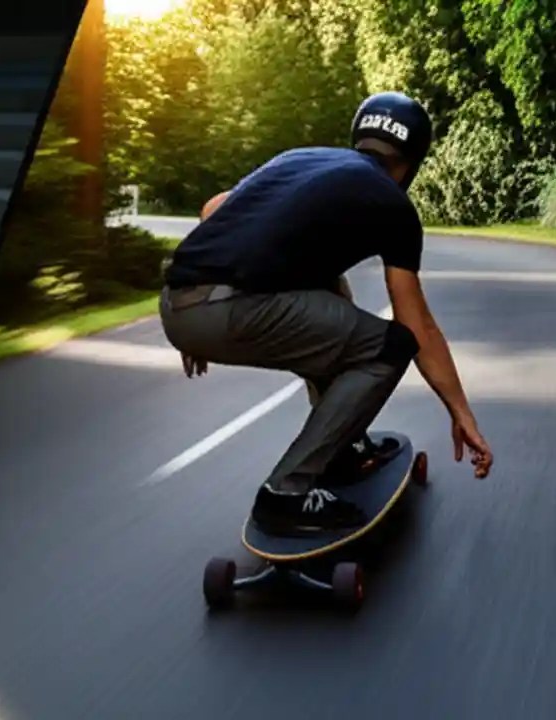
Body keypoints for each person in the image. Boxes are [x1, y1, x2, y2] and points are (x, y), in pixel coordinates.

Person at [159, 91, 493, 537]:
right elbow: (417, 326)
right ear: (412, 161)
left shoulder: (304, 158)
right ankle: (286, 494)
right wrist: (461, 412)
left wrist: (195, 315)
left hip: (177, 302)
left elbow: (214, 208)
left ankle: (342, 448)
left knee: (331, 297)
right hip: (228, 310)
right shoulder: (392, 205)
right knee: (389, 347)